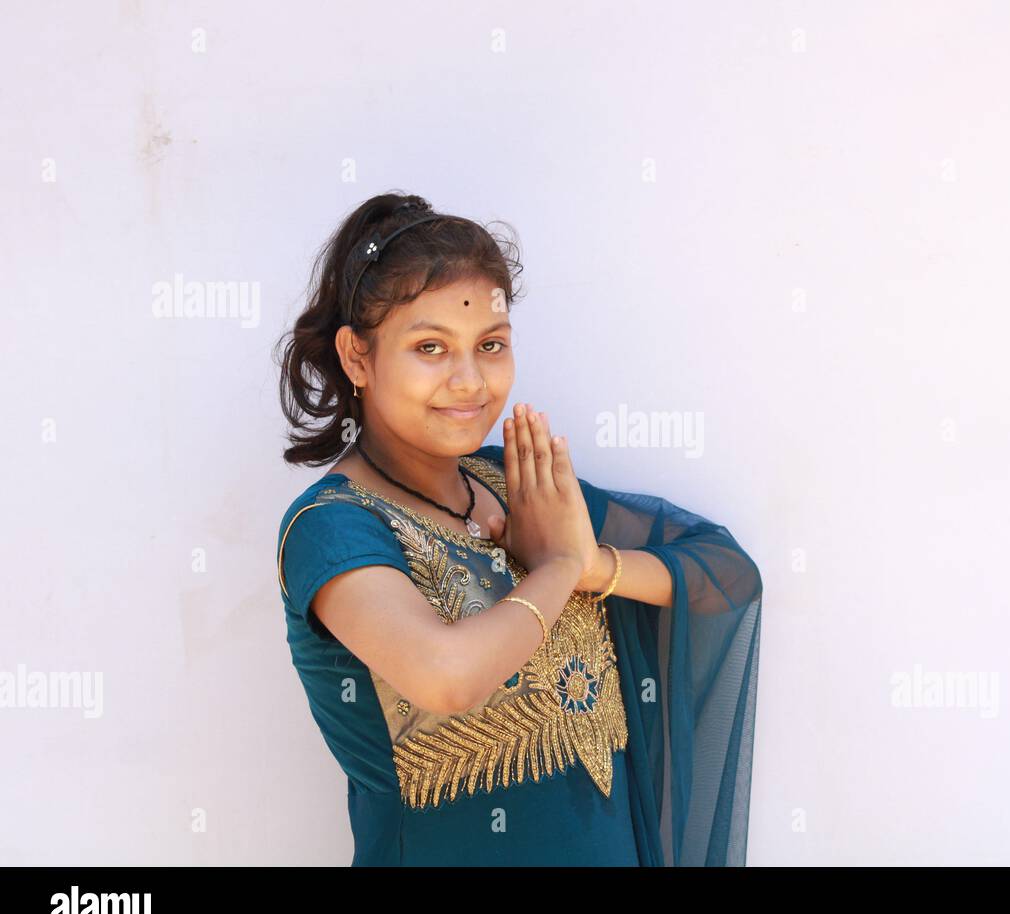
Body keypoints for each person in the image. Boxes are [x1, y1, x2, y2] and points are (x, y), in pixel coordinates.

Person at [273, 192, 762, 865]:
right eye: (430, 347)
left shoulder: (514, 482)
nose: (470, 380)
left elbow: (727, 574)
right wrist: (560, 568)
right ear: (358, 358)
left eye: (491, 345)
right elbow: (446, 678)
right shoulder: (333, 529)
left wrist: (592, 565)